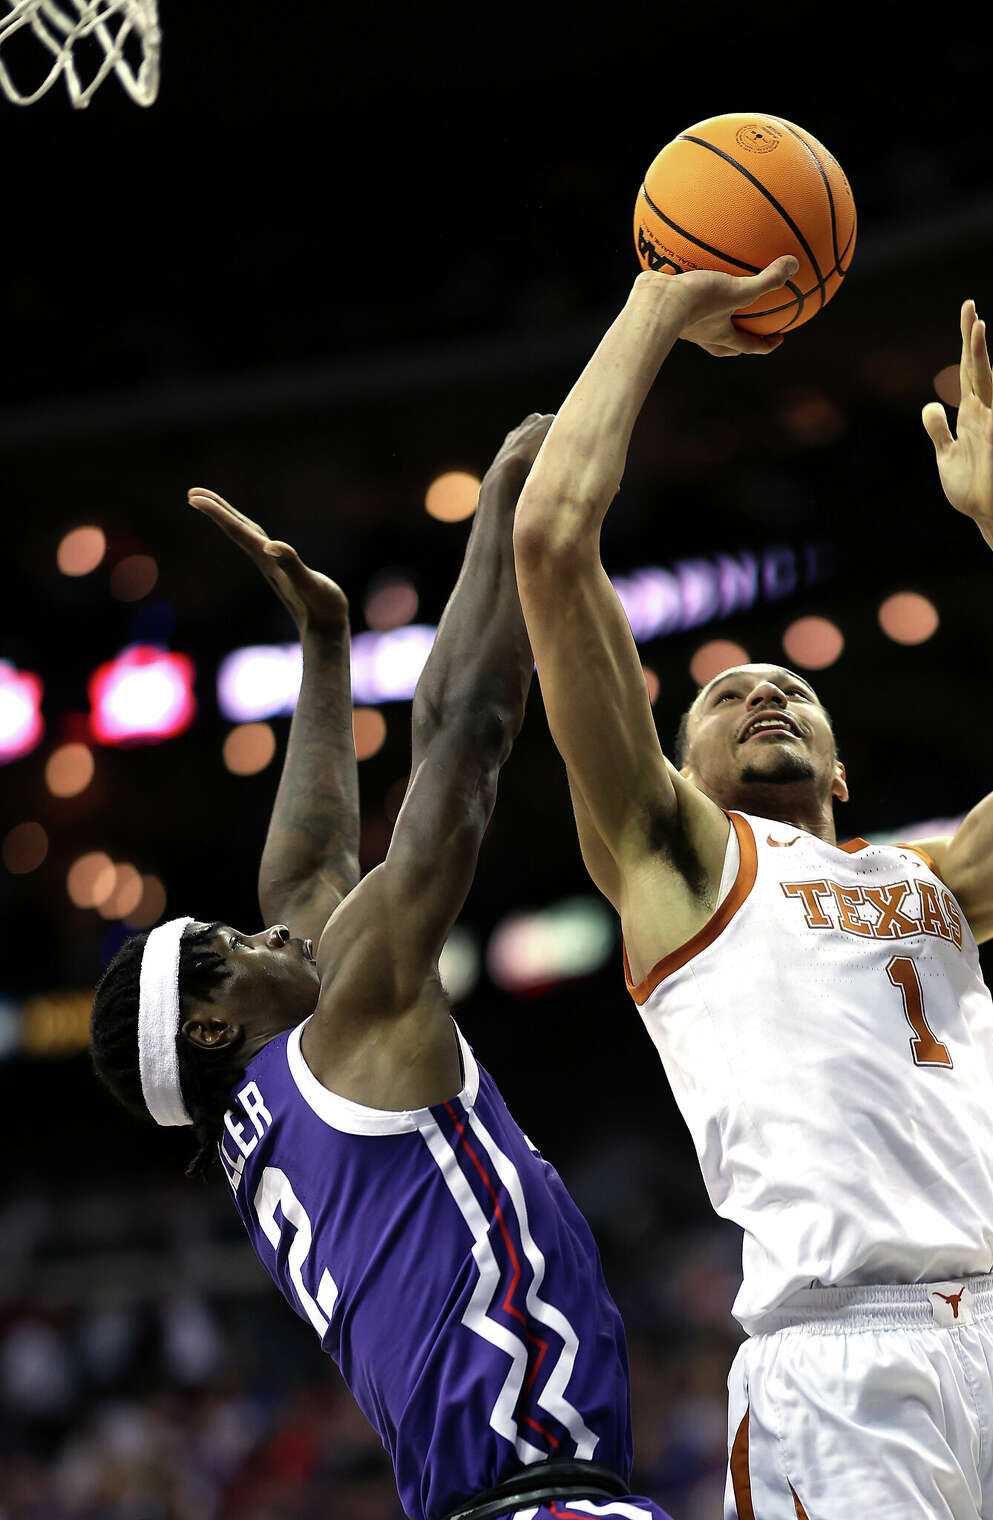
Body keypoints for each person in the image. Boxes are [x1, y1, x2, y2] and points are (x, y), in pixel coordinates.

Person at [512, 264, 993, 1519]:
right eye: (723, 695)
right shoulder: (677, 862)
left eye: (792, 688)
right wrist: (654, 309)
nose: (764, 693)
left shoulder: (935, 877)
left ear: (841, 763)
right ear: (679, 765)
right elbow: (549, 541)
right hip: (835, 1360)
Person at [90, 416, 674, 1520]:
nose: (271, 937)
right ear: (212, 1025)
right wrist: (506, 504)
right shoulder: (346, 1029)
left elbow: (306, 876)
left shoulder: (268, 1124)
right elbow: (468, 732)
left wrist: (326, 640)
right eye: (232, 951)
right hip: (538, 1498)